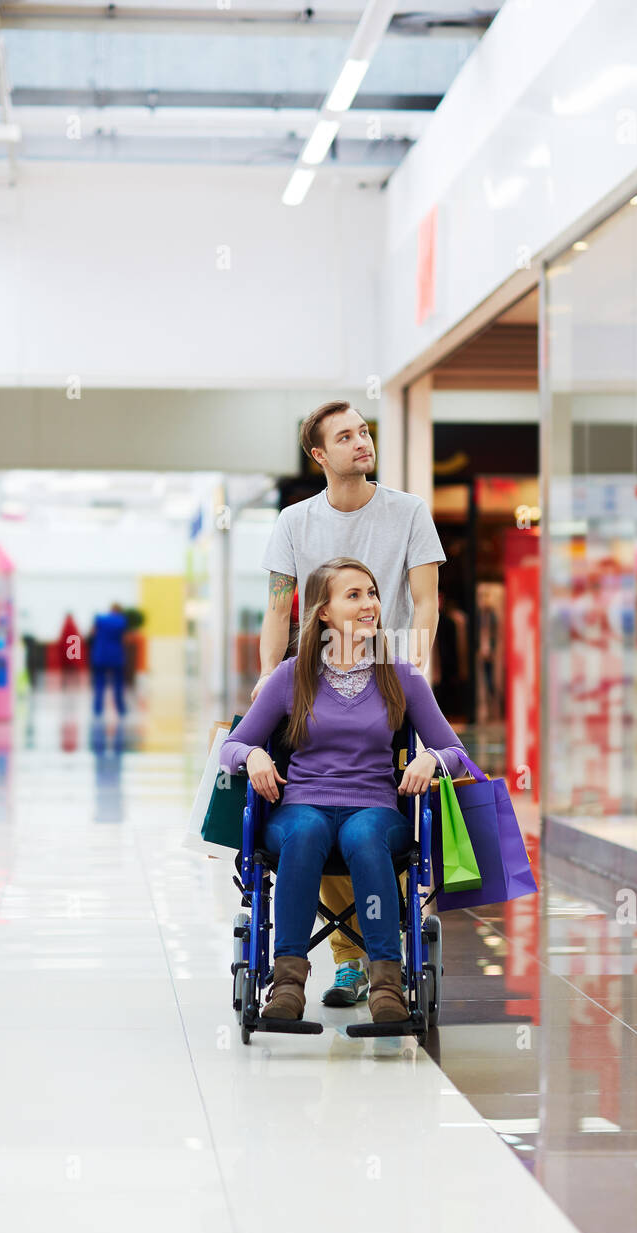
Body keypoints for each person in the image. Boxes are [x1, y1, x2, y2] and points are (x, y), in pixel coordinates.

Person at [253, 399, 445, 1007]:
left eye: (365, 431)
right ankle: (345, 958)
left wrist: (406, 669)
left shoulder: (408, 512)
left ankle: (368, 955)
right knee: (312, 801)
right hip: (310, 670)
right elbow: (278, 606)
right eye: (346, 436)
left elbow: (426, 602)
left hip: (384, 661)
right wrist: (268, 678)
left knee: (368, 804)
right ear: (319, 456)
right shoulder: (294, 522)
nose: (362, 441)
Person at [221, 558, 467, 1024]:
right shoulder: (292, 676)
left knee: (363, 836)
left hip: (375, 807)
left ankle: (387, 985)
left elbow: (457, 751)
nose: (369, 603)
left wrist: (431, 758)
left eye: (372, 593)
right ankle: (288, 984)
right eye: (353, 595)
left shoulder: (401, 676)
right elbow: (233, 745)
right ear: (324, 613)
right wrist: (251, 756)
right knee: (307, 832)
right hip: (300, 806)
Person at [89, 603, 128, 717]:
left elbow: (92, 633)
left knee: (99, 683)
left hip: (100, 654)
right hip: (116, 655)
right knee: (118, 683)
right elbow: (124, 638)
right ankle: (121, 709)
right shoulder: (122, 621)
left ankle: (97, 709)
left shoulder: (100, 619)